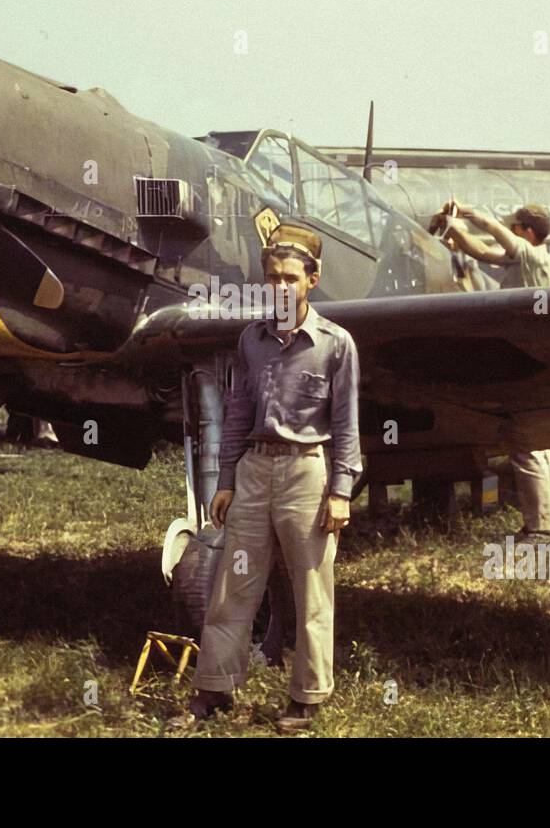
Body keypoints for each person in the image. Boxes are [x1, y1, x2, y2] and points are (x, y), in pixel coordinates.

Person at [182, 224, 362, 733]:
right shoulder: (251, 341)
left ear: (312, 279)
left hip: (307, 471)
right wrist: (225, 480)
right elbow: (238, 411)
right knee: (233, 585)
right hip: (254, 471)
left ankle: (307, 697)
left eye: (290, 277)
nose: (280, 287)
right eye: (271, 278)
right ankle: (214, 689)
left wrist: (342, 490)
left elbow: (347, 423)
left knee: (311, 589)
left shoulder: (336, 344)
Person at [432, 201, 550, 541]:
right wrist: (452, 226)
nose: (512, 232)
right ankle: (545, 522)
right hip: (524, 351)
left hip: (525, 353)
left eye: (517, 228)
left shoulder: (536, 256)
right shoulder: (524, 257)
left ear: (528, 233)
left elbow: (494, 234)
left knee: (524, 440)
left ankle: (541, 530)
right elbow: (483, 252)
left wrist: (470, 212)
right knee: (534, 441)